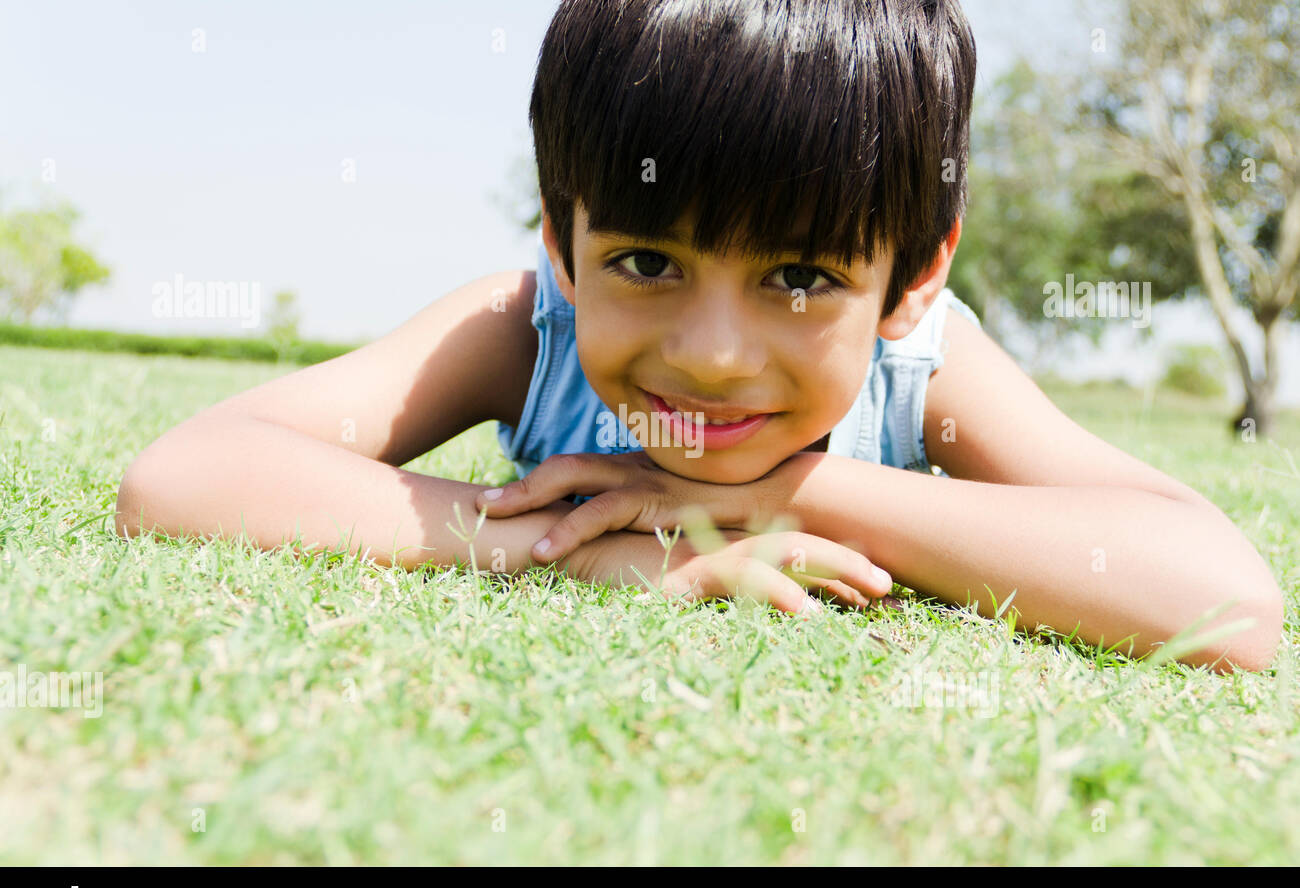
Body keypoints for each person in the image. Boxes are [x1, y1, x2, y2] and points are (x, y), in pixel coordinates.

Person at [113, 0, 1283, 672]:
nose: (715, 353)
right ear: (561, 244)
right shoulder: (524, 326)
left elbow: (1227, 605)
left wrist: (799, 494)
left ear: (912, 277)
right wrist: (592, 547)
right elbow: (184, 475)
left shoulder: (923, 366)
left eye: (800, 275)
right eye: (646, 262)